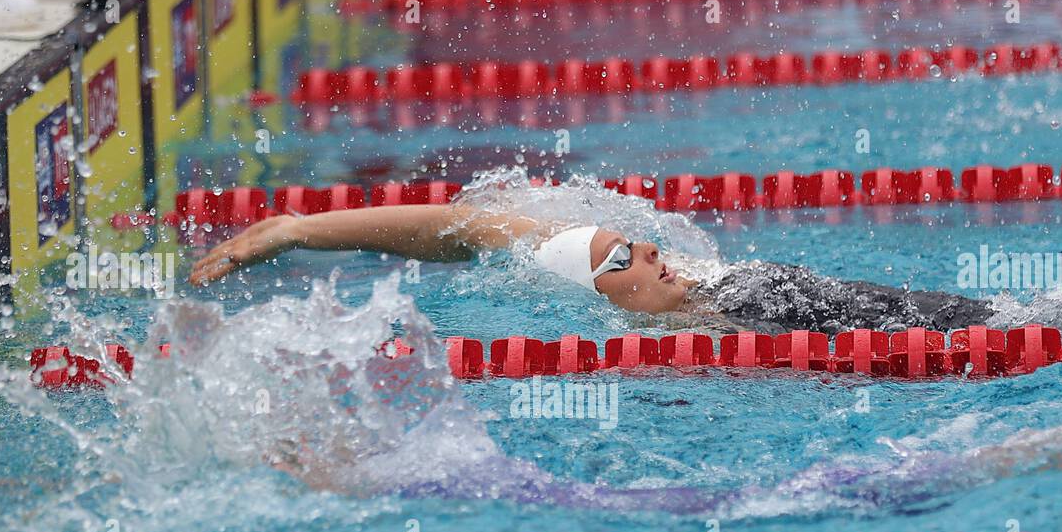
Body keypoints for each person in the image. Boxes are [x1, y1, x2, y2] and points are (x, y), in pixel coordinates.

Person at [187, 202, 998, 332]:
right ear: (601, 295)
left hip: (954, 320)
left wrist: (302, 226)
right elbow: (460, 234)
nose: (649, 248)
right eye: (623, 257)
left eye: (635, 244)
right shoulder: (673, 334)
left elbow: (466, 226)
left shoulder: (718, 297)